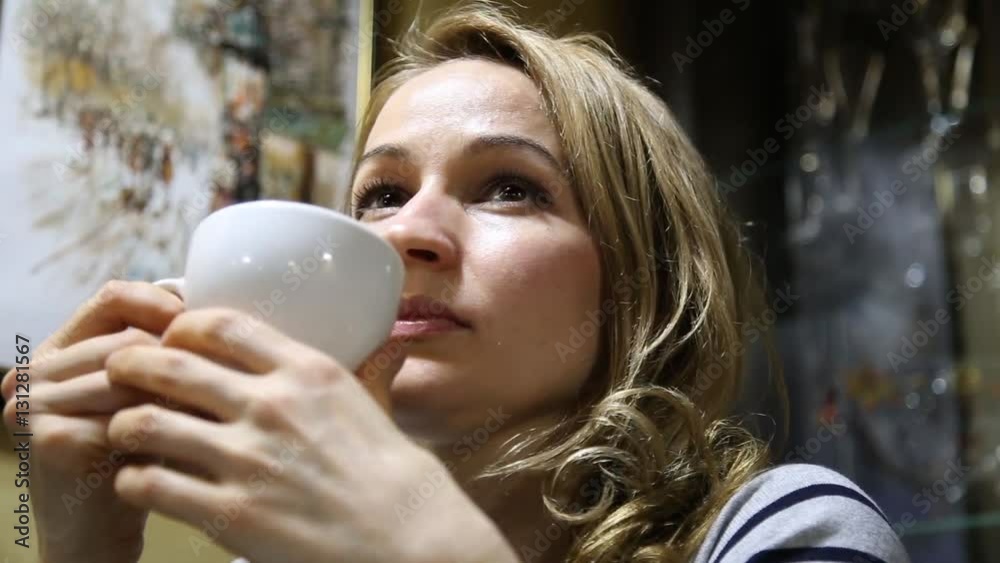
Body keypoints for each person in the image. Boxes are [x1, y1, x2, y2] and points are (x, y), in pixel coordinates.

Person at [2, 3, 910, 563]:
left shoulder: (784, 531)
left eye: (511, 189)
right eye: (382, 194)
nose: (405, 237)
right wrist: (83, 546)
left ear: (644, 284)